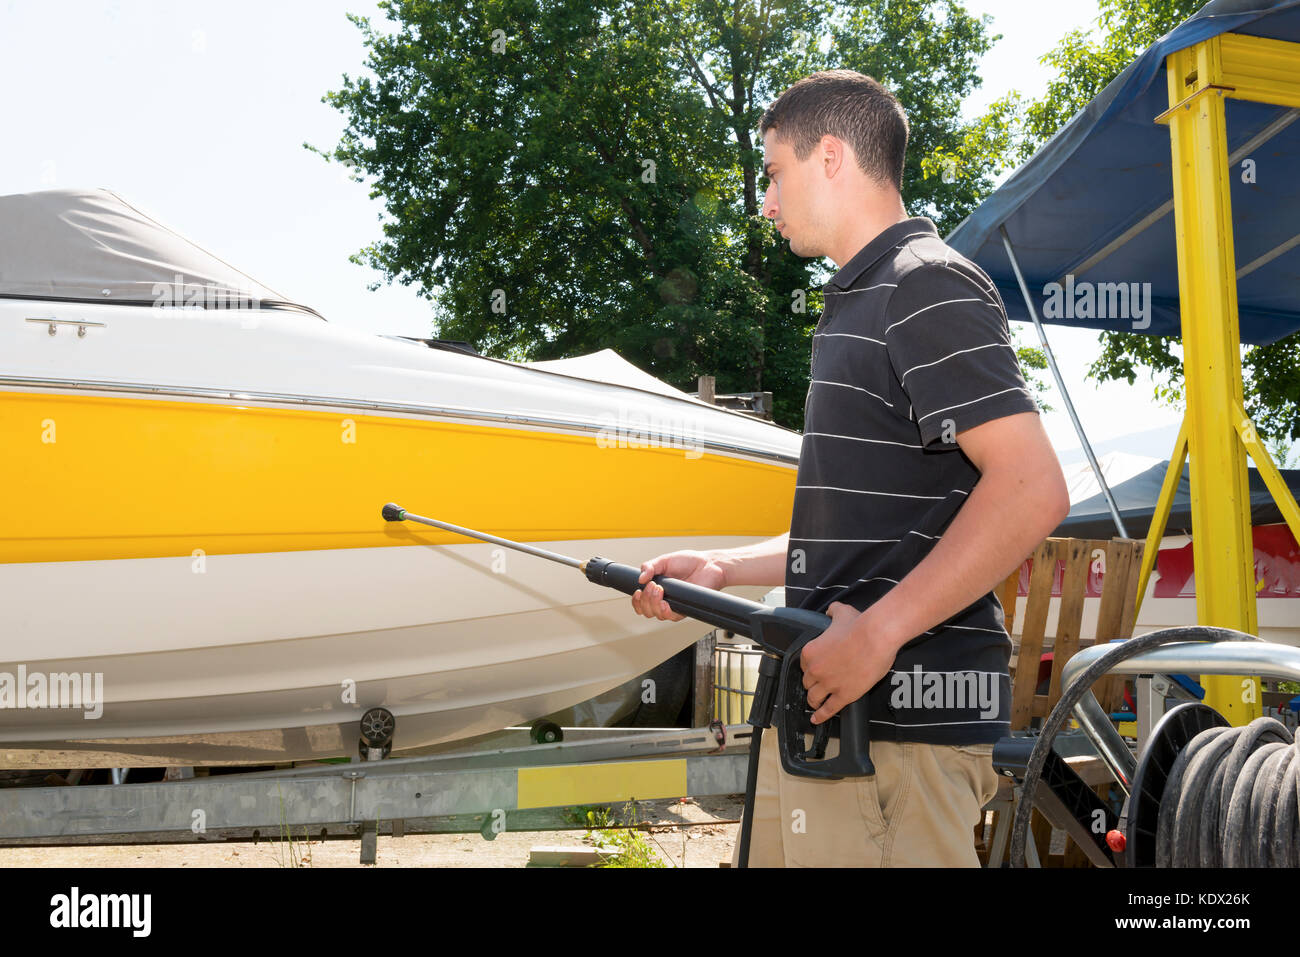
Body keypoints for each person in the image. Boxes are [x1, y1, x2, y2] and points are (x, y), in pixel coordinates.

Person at [629, 70, 1070, 867]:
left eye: (773, 172)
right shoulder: (861, 301)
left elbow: (1032, 487)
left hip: (897, 736)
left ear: (830, 155)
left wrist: (882, 634)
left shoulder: (926, 284)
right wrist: (724, 566)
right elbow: (860, 531)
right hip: (827, 730)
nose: (766, 202)